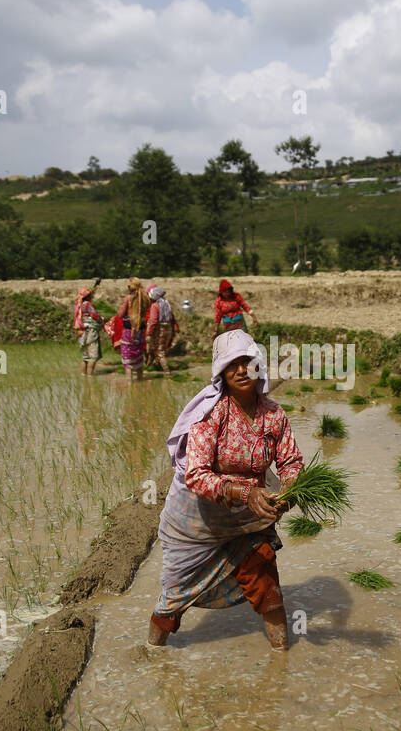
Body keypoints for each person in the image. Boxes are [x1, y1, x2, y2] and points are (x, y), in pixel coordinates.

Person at [150, 330, 303, 650]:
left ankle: (282, 663)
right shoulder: (211, 415)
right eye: (231, 364)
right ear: (221, 371)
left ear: (258, 365)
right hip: (198, 523)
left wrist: (288, 493)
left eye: (247, 361)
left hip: (248, 521)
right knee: (174, 596)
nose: (241, 370)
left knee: (267, 585)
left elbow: (291, 462)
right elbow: (196, 475)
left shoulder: (274, 415)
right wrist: (246, 494)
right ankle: (152, 651)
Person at [118, 278, 151, 382]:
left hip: (129, 330)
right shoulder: (145, 298)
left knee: (128, 357)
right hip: (141, 329)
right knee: (138, 353)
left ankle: (129, 383)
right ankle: (140, 379)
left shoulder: (128, 298)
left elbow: (120, 314)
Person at [144, 284, 179, 374]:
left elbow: (153, 321)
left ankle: (167, 372)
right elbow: (172, 318)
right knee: (159, 349)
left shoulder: (155, 306)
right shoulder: (166, 304)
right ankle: (150, 366)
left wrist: (149, 333)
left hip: (160, 330)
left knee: (160, 352)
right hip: (168, 329)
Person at [72, 285, 103, 377]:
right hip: (90, 333)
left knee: (85, 357)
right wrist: (102, 320)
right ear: (88, 296)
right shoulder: (87, 304)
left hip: (82, 334)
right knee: (93, 357)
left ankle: (83, 374)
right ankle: (90, 376)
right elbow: (95, 315)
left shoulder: (79, 305)